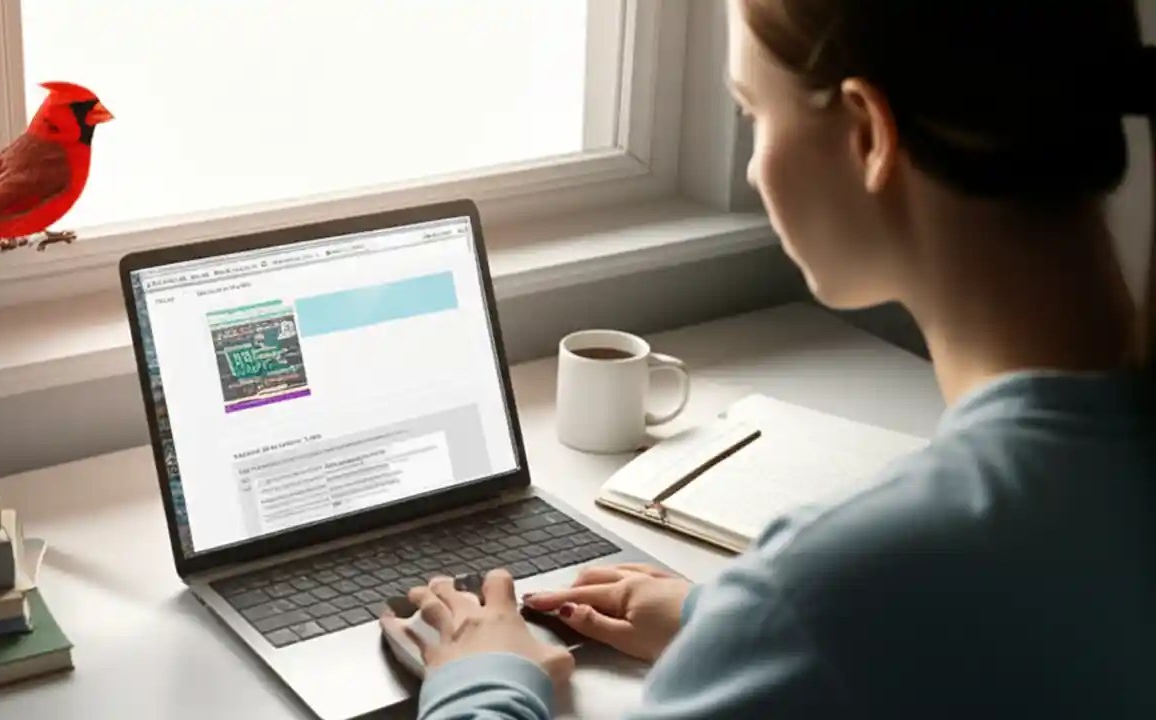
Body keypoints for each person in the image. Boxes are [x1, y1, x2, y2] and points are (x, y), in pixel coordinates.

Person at [405, 1, 1156, 717]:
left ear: (868, 134)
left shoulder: (837, 593)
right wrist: (728, 627)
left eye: (752, 112)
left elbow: (879, 614)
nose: (756, 169)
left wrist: (481, 682)